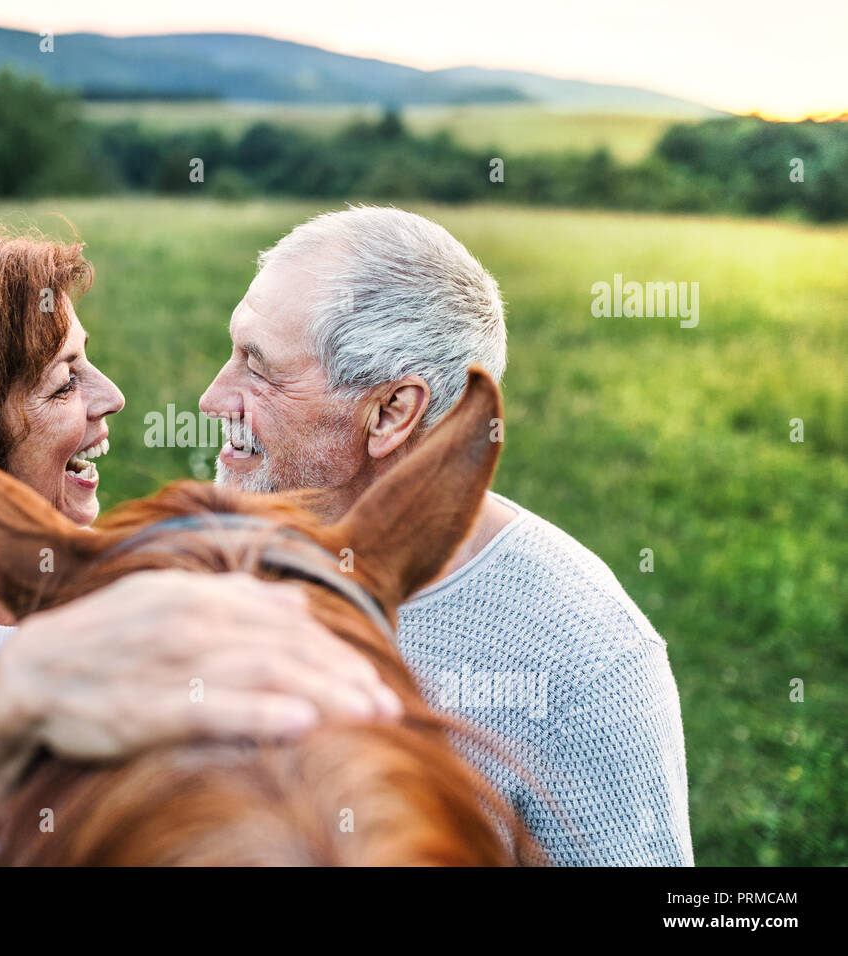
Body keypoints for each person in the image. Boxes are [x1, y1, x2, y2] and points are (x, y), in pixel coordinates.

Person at [0, 224, 402, 866]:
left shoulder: (118, 581)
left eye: (89, 362)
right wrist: (7, 706)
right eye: (63, 383)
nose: (111, 396)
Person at [199, 205, 693, 865]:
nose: (212, 397)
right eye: (234, 352)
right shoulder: (215, 555)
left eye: (258, 368)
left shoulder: (585, 662)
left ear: (390, 413)